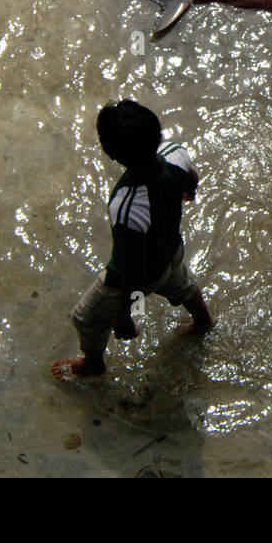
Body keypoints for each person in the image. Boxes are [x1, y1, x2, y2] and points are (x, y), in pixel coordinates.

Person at [51, 100, 212, 380]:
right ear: (158, 135)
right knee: (183, 286)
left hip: (141, 274)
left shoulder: (126, 207)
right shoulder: (175, 154)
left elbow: (133, 268)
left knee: (85, 318)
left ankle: (92, 364)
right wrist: (189, 190)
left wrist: (123, 315)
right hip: (172, 253)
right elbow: (191, 175)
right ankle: (203, 321)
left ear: (111, 153)